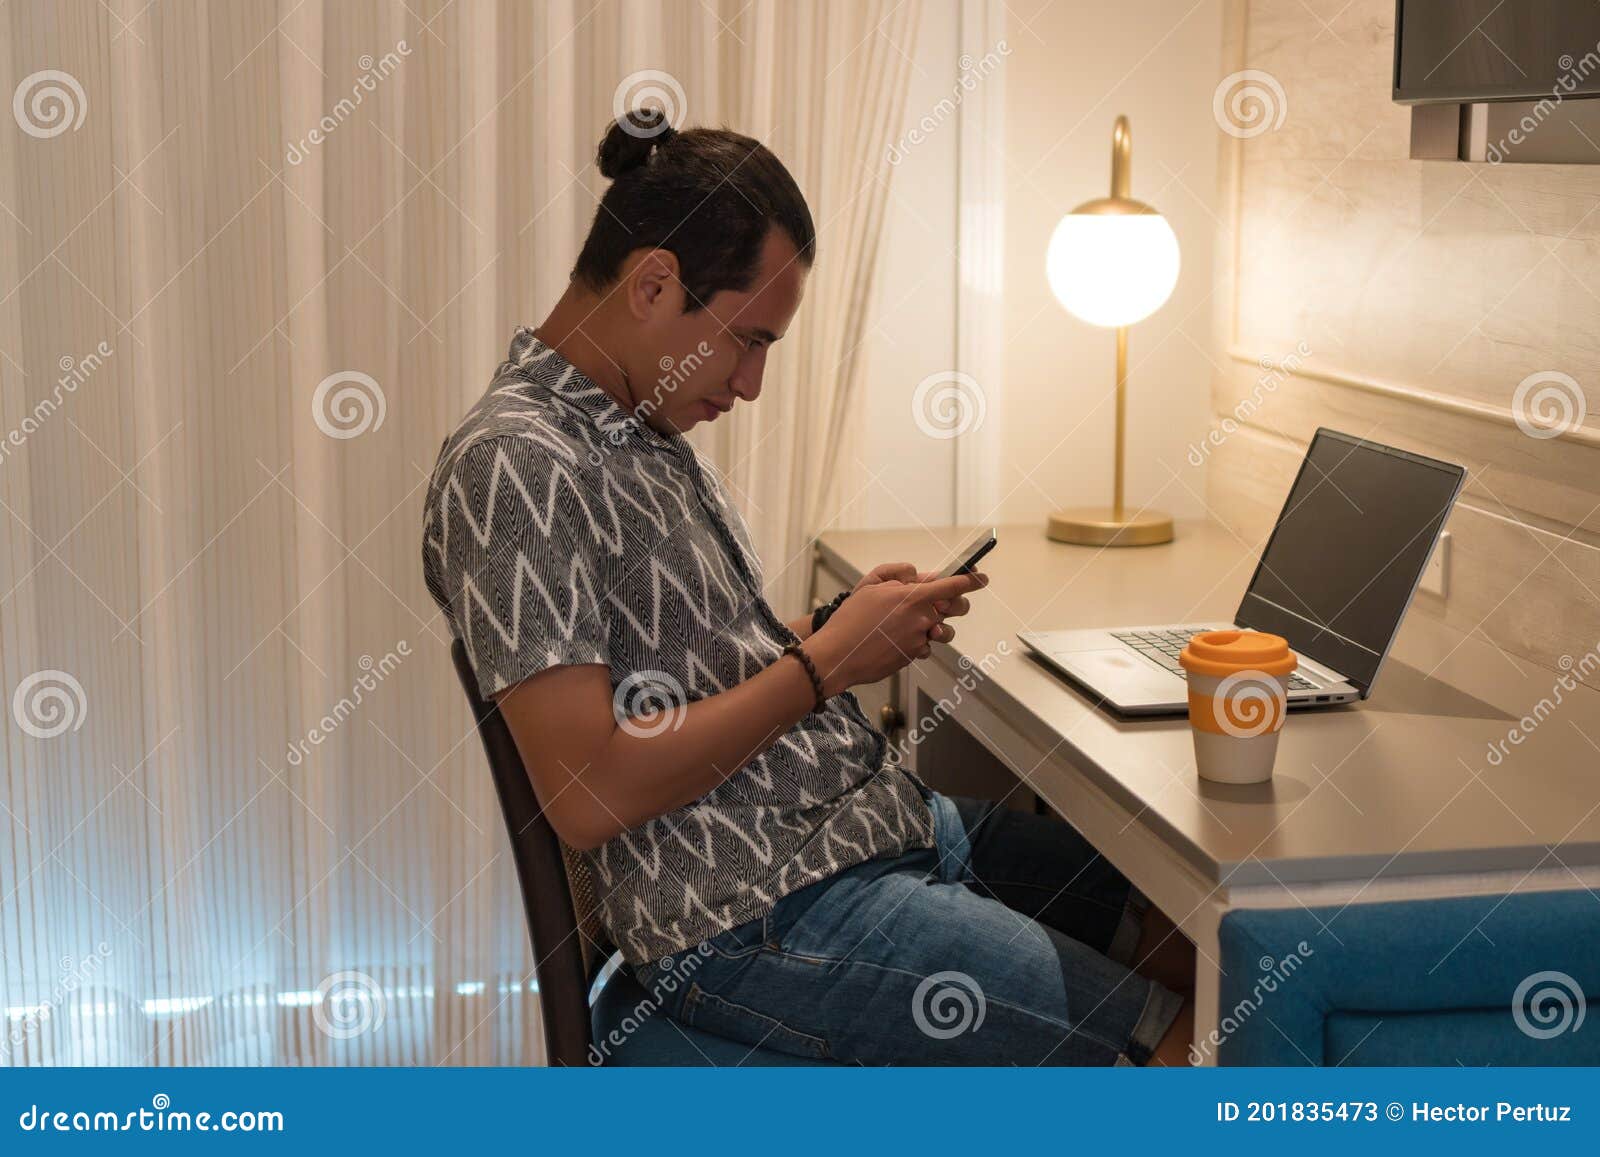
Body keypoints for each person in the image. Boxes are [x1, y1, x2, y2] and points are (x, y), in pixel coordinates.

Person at [421, 110, 1194, 1065]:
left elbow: (685, 665)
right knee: (1182, 1039)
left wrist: (836, 627)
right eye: (747, 341)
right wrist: (827, 665)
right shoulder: (515, 466)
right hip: (756, 909)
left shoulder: (635, 426)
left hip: (872, 829)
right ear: (654, 283)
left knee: (1195, 937)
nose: (749, 384)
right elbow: (587, 791)